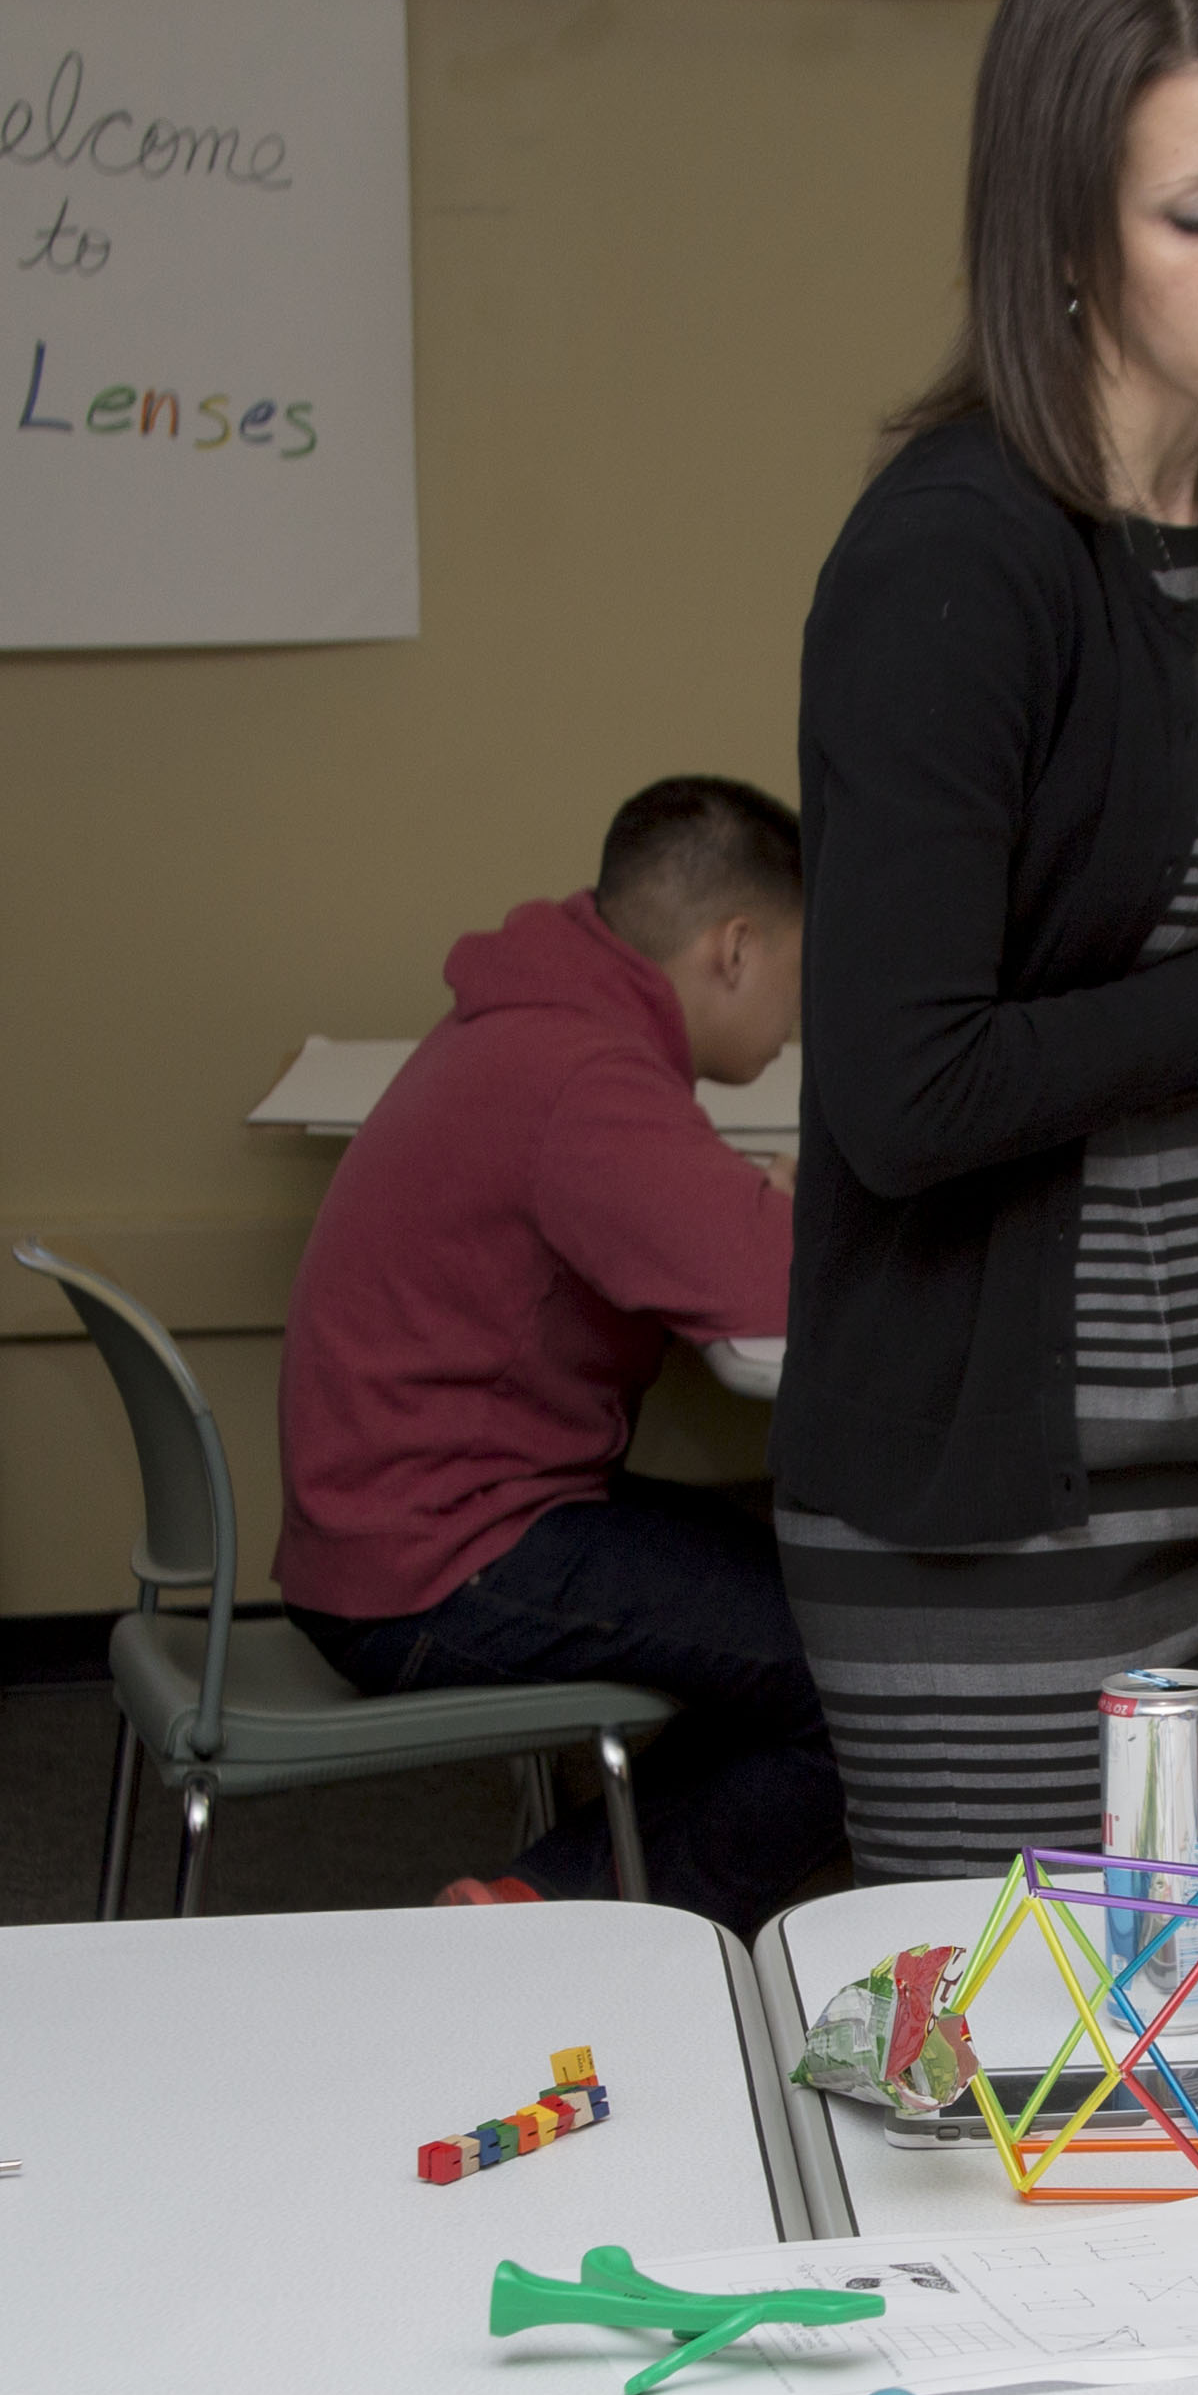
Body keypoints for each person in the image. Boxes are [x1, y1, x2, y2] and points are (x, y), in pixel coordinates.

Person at [775, 0, 1198, 1878]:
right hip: (1008, 1530)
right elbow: (906, 1093)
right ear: (1064, 237)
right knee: (1048, 2118)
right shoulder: (949, 563)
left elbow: (1129, 996)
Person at [278, 776, 844, 1927]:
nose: (799, 1013)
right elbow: (774, 1289)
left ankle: (572, 1882)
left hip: (403, 1522)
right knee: (858, 1672)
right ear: (734, 950)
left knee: (804, 1592)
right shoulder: (587, 1074)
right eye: (799, 966)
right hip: (440, 1563)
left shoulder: (542, 1019)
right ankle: (557, 1912)